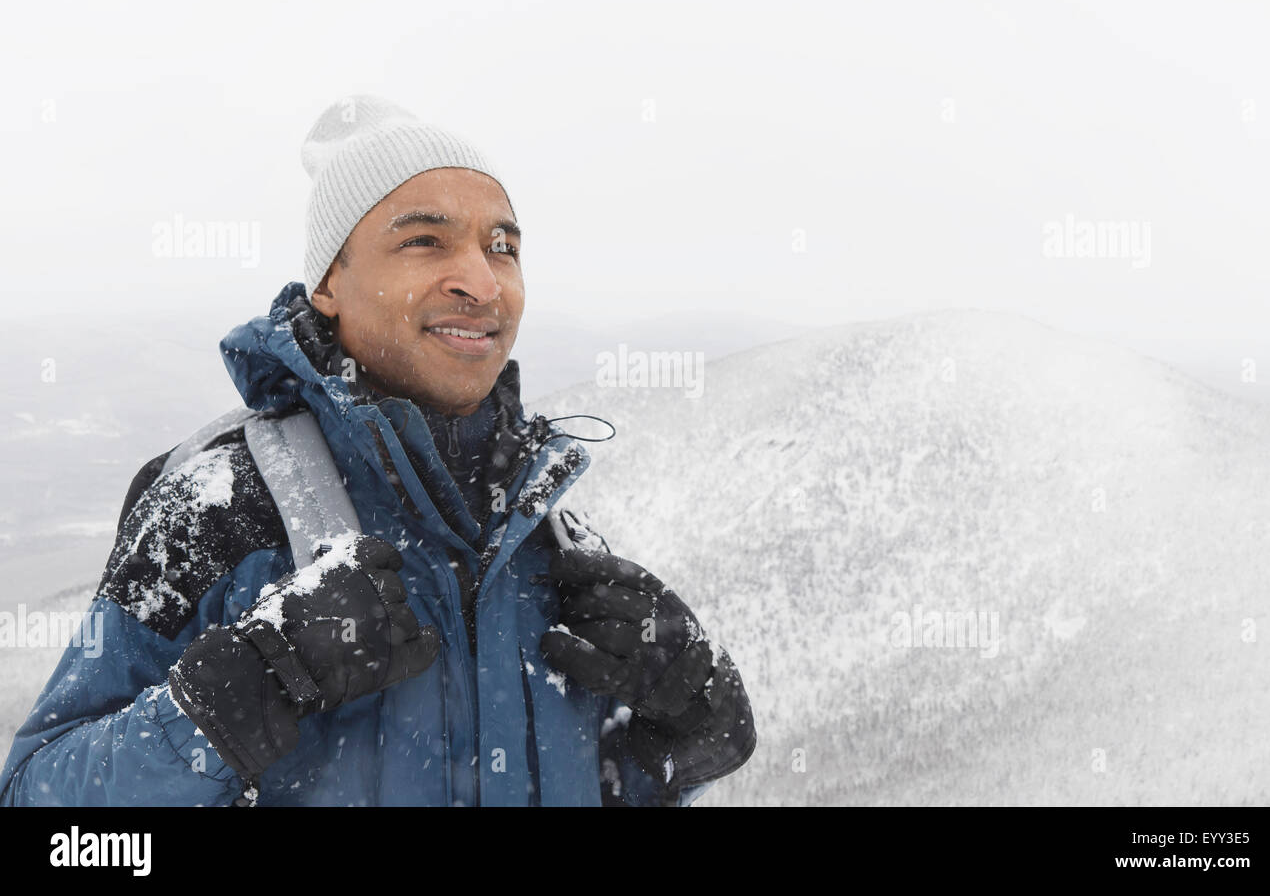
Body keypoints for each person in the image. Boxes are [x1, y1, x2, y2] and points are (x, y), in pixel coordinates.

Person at [0, 95, 756, 806]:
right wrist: (242, 688)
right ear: (329, 279)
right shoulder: (218, 507)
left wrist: (682, 738)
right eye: (425, 240)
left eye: (504, 247)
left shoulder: (547, 534)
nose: (481, 281)